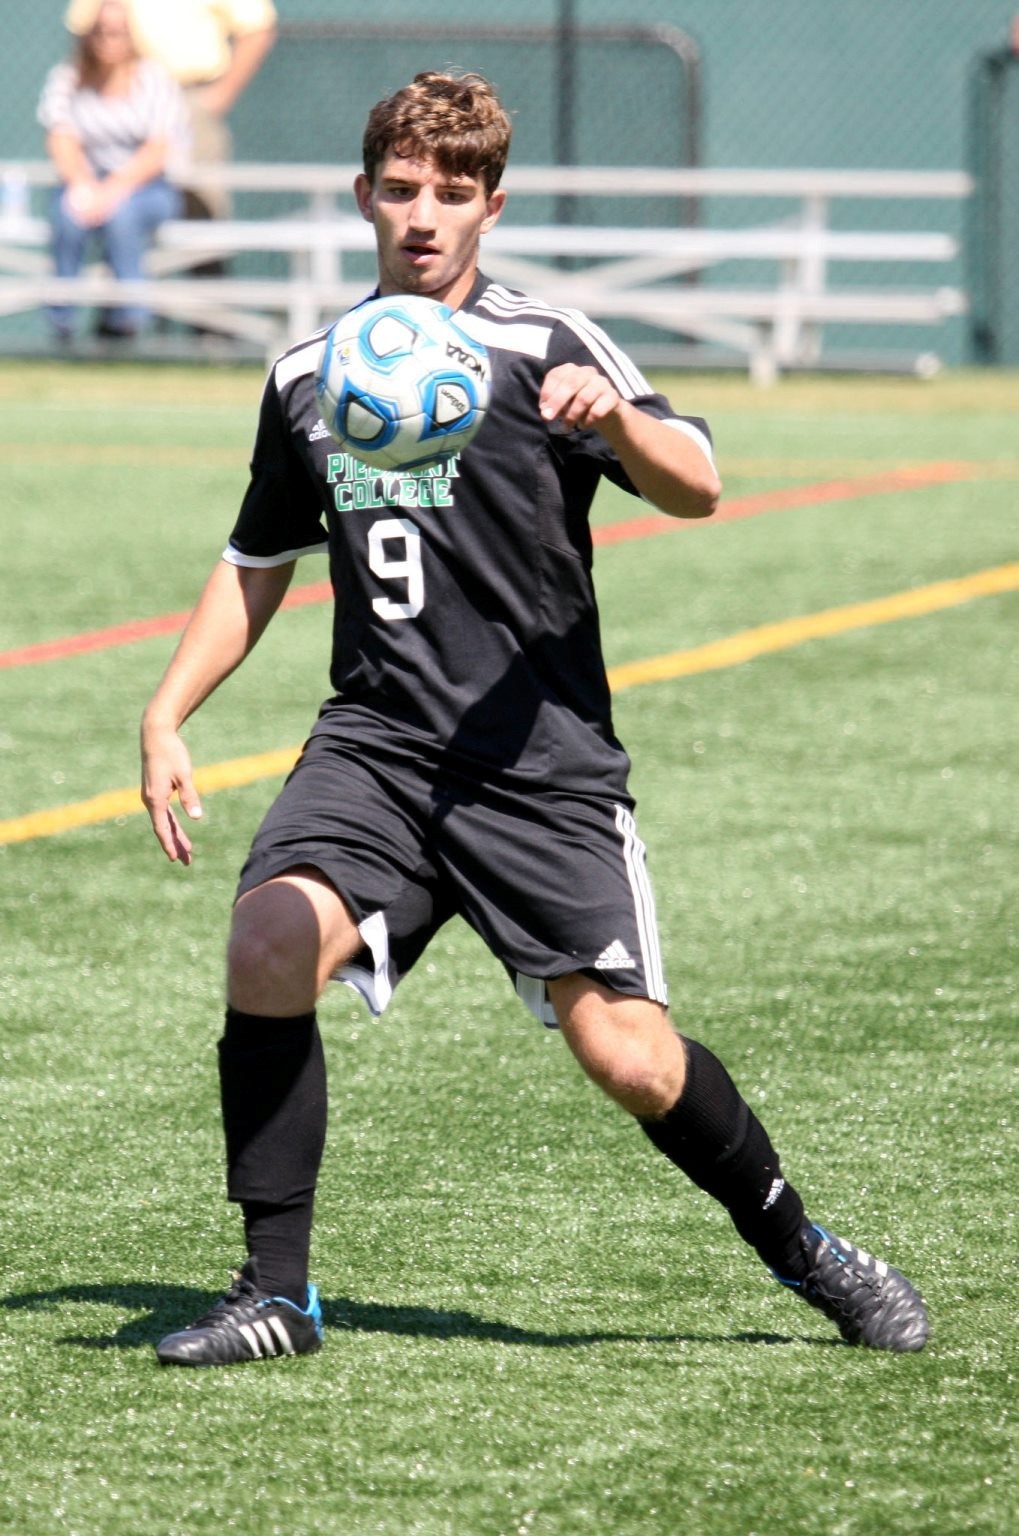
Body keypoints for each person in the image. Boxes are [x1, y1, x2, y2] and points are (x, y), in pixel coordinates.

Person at [140, 70, 930, 1367]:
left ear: (490, 207)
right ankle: (275, 1293)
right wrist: (169, 710)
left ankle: (808, 1252)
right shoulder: (312, 372)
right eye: (399, 191)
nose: (423, 216)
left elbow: (699, 484)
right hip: (379, 746)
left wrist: (613, 419)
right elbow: (257, 555)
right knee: (269, 939)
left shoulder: (549, 343)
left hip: (537, 767)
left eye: (451, 194)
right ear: (361, 200)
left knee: (627, 1056)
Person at [37, 0, 187, 340]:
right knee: (67, 215)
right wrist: (83, 186)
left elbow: (158, 149)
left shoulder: (154, 78)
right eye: (101, 33)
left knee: (123, 217)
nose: (109, 40)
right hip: (86, 184)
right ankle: (62, 323)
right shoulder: (69, 76)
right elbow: (61, 137)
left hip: (145, 188)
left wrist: (112, 191)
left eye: (117, 33)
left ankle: (129, 322)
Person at [64, 0, 278, 223]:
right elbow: (82, 24)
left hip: (190, 99)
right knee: (119, 212)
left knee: (199, 208)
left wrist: (220, 95)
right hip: (124, 97)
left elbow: (257, 27)